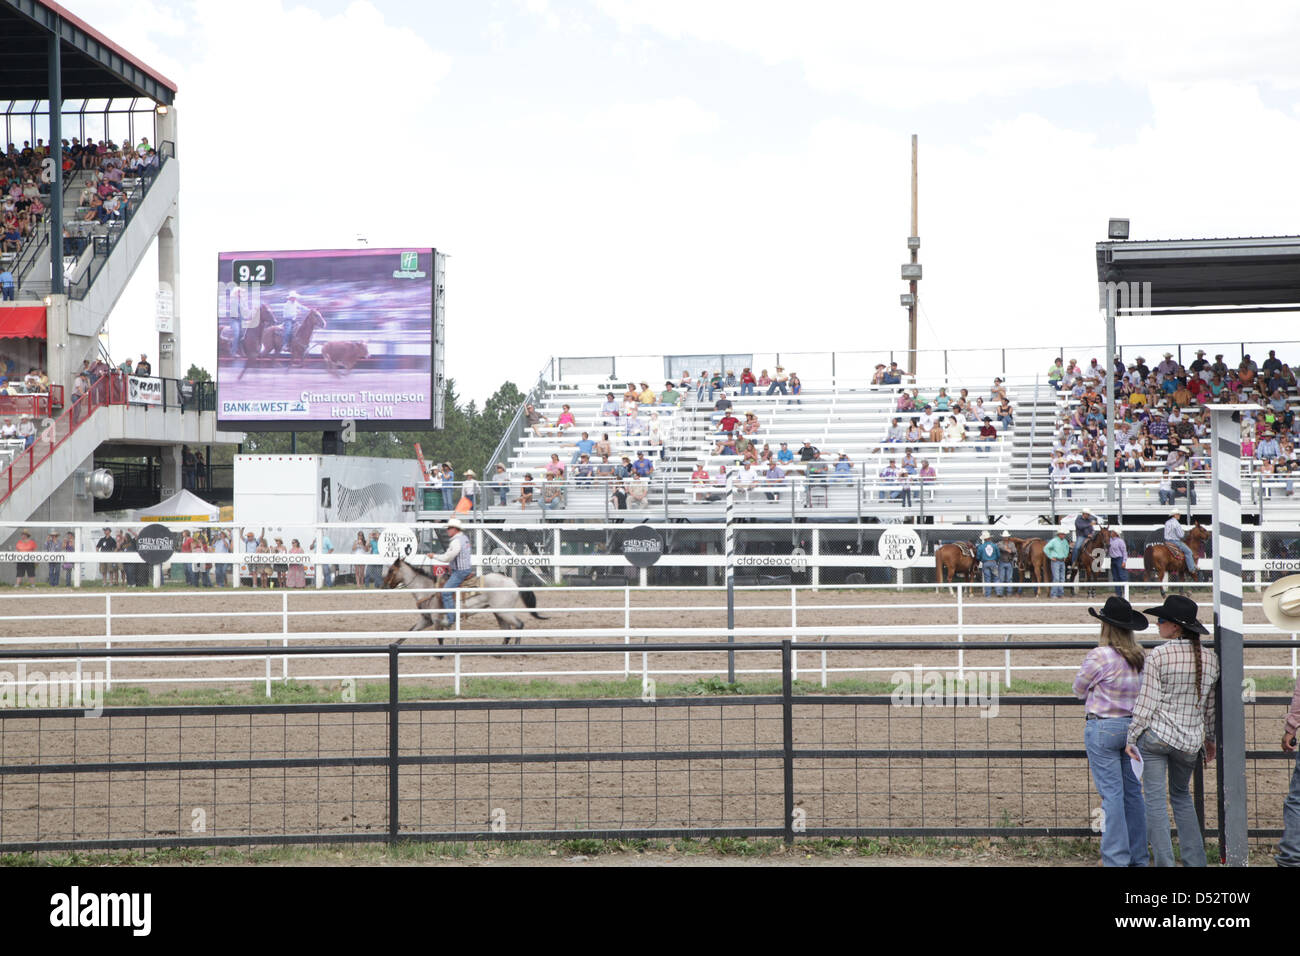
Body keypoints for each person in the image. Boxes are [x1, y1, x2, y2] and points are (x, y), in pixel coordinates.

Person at [1125, 595, 1220, 867]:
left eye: (1162, 620)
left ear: (1175, 627)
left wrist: (1131, 736)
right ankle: (1195, 860)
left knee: (1155, 802)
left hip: (1157, 736)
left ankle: (1165, 862)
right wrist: (1210, 739)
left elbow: (1147, 702)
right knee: (1181, 797)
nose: (1158, 624)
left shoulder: (1159, 655)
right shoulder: (1210, 660)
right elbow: (1209, 708)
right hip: (1190, 740)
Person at [1073, 596, 1149, 867]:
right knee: (1132, 793)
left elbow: (1078, 689)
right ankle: (1139, 856)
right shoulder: (1140, 656)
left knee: (1112, 796)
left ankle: (1116, 858)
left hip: (1103, 726)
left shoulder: (1100, 655)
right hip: (1132, 729)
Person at [425, 518, 473, 627]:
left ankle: (451, 619)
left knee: (446, 592)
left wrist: (434, 556)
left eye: (449, 528)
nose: (447, 531)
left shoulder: (456, 541)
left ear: (455, 529)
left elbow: (448, 557)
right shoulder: (464, 538)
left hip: (460, 571)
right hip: (464, 569)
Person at [1163, 507, 1197, 578]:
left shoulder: (1167, 522)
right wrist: (1184, 533)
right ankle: (1192, 568)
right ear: (1175, 515)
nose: (1179, 515)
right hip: (1175, 541)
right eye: (1178, 514)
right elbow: (1181, 535)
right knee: (1189, 552)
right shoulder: (1176, 523)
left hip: (1167, 541)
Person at [1046, 527, 1070, 598]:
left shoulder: (1065, 541)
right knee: (1056, 578)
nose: (1063, 535)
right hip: (1055, 561)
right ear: (1059, 534)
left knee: (1062, 578)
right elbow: (1046, 548)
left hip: (1062, 561)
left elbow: (1067, 549)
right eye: (1062, 534)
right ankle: (1054, 594)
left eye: (1064, 534)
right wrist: (1051, 556)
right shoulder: (1054, 541)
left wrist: (1065, 555)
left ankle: (1060, 593)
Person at [976, 531, 999, 598]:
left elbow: (978, 557)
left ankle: (988, 595)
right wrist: (995, 561)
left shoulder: (981, 547)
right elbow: (998, 555)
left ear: (984, 539)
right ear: (989, 538)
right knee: (996, 577)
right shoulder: (994, 546)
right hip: (993, 563)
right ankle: (998, 592)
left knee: (987, 579)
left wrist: (982, 560)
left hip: (985, 563)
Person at [997, 530, 1017, 598]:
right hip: (1002, 562)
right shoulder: (1000, 543)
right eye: (1004, 536)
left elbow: (1014, 551)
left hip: (1009, 562)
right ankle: (1000, 593)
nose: (1005, 537)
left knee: (1009, 578)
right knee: (1001, 578)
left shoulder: (1012, 543)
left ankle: (1009, 593)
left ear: (1008, 537)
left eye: (1006, 536)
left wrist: (1009, 550)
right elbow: (1000, 547)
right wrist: (1008, 549)